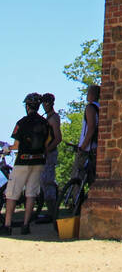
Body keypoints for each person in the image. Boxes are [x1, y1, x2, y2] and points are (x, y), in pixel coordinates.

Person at [1, 94, 56, 235]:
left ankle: (7, 225)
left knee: (12, 193)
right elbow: (49, 142)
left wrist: (8, 148)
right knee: (31, 193)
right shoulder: (45, 123)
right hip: (39, 161)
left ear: (27, 106)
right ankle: (26, 225)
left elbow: (16, 145)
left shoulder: (22, 122)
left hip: (22, 161)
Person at [39, 93, 62, 221]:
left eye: (46, 103)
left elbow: (58, 138)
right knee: (44, 181)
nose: (44, 105)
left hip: (50, 153)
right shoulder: (47, 117)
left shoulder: (53, 118)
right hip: (46, 153)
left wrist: (47, 150)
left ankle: (53, 213)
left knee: (48, 181)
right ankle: (50, 211)